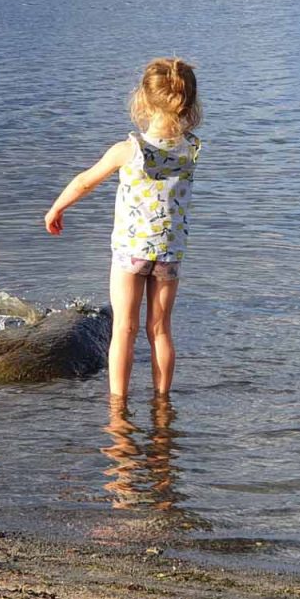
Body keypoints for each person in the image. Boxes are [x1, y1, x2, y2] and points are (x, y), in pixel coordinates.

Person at [45, 58, 201, 401]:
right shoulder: (191, 149)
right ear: (188, 103)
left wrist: (58, 207)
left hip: (131, 252)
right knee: (160, 330)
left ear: (142, 101)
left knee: (124, 329)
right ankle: (162, 401)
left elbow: (85, 181)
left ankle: (118, 406)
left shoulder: (128, 150)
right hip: (169, 252)